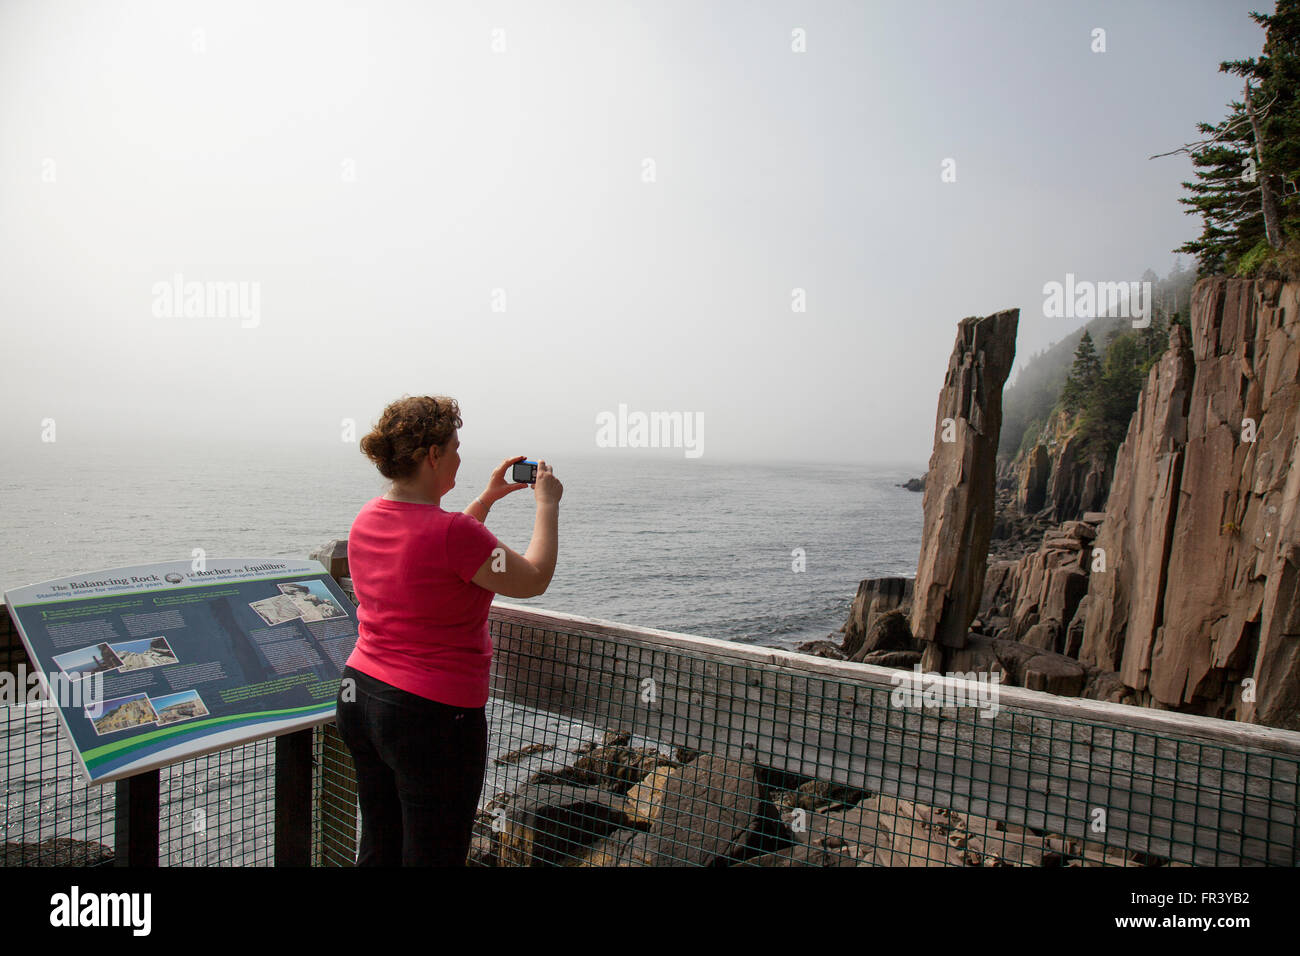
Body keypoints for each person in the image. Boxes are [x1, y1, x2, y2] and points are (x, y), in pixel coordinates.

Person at [334, 394, 562, 866]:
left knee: (380, 843)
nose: (460, 456)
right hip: (430, 716)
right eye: (455, 447)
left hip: (362, 697)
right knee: (434, 853)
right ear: (432, 455)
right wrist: (547, 505)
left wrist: (487, 499)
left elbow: (442, 556)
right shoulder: (453, 533)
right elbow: (534, 577)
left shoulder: (367, 518)